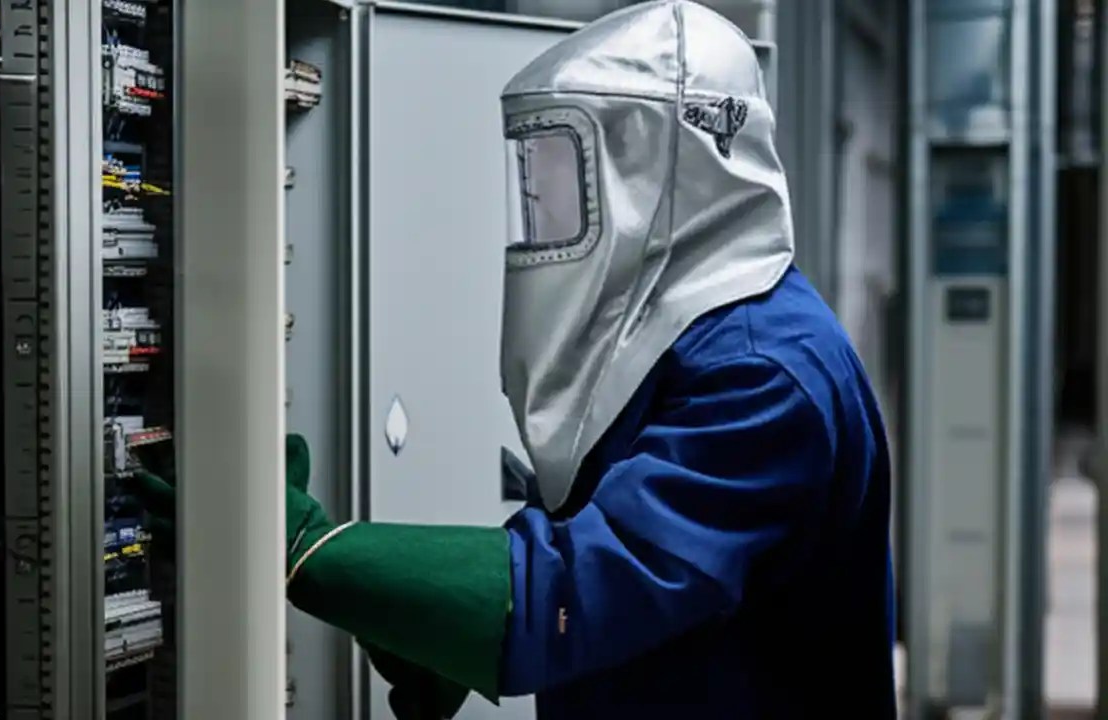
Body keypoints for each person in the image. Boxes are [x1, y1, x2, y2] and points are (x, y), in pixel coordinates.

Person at [290, 1, 895, 717]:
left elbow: (593, 583)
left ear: (660, 174)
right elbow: (593, 531)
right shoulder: (685, 337)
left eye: (561, 184)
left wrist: (310, 546)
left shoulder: (765, 375)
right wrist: (435, 620)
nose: (539, 210)